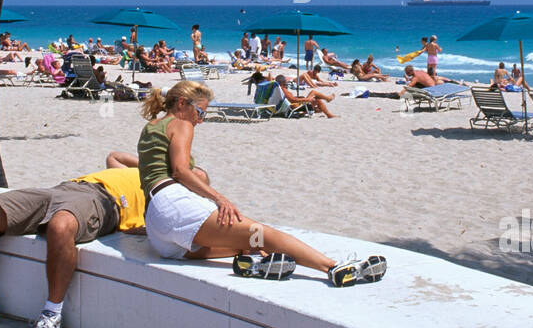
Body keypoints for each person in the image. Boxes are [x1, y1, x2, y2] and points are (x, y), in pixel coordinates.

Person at [136, 81, 380, 283]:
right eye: (200, 112)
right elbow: (180, 171)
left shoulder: (151, 126)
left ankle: (251, 258)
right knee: (262, 234)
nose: (200, 119)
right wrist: (220, 198)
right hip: (173, 205)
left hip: (159, 231)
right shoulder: (182, 123)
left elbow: (154, 172)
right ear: (181, 103)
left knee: (244, 242)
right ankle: (333, 267)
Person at [0, 153, 149, 328]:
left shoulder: (168, 188)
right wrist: (154, 165)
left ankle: (51, 315)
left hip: (104, 202)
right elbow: (114, 156)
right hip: (66, 188)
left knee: (60, 227)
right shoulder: (150, 171)